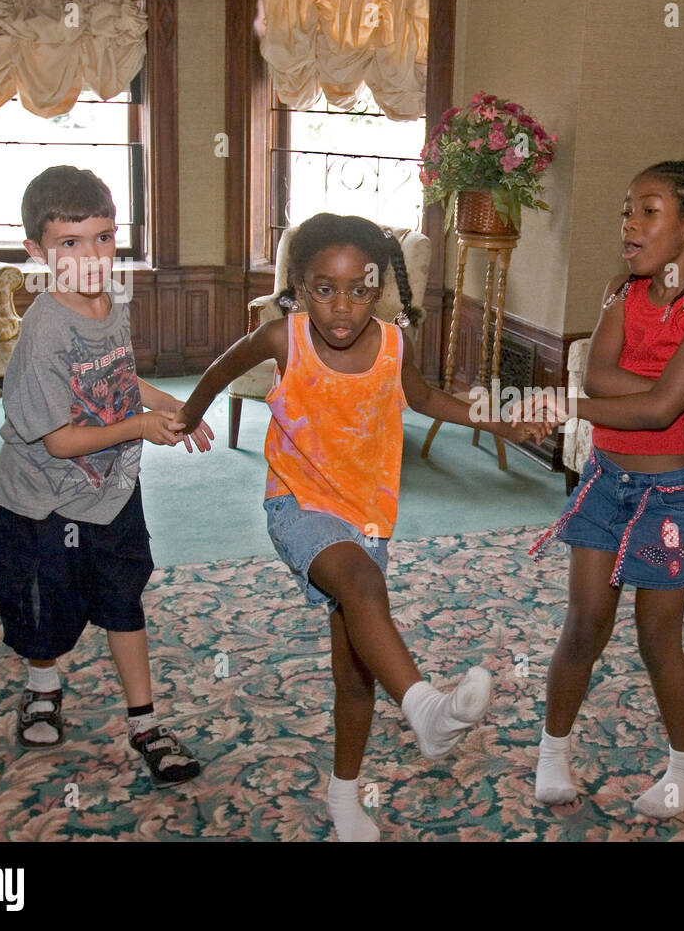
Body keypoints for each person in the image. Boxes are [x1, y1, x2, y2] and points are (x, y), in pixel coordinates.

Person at [173, 213, 555, 841]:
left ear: (379, 290)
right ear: (298, 287)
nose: (342, 307)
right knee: (359, 583)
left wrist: (501, 422)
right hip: (297, 507)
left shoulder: (393, 345)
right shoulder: (283, 339)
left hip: (368, 517)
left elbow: (428, 400)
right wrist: (188, 416)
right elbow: (220, 369)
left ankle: (344, 796)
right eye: (324, 288)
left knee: (354, 672)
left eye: (358, 289)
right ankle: (426, 709)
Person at [0, 165, 215, 787]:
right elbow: (58, 440)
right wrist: (140, 427)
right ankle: (41, 685)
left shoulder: (111, 304)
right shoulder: (43, 333)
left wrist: (161, 401)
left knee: (122, 598)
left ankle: (145, 722)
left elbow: (114, 377)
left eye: (104, 238)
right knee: (41, 610)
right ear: (37, 251)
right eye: (69, 243)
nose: (91, 258)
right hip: (41, 503)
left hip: (109, 492)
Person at [527, 161, 684, 818]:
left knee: (657, 639)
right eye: (627, 209)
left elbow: (653, 409)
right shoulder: (624, 294)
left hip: (672, 496)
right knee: (584, 624)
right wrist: (665, 393)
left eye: (648, 211)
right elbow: (599, 373)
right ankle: (552, 750)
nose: (629, 222)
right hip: (605, 481)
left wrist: (578, 405)